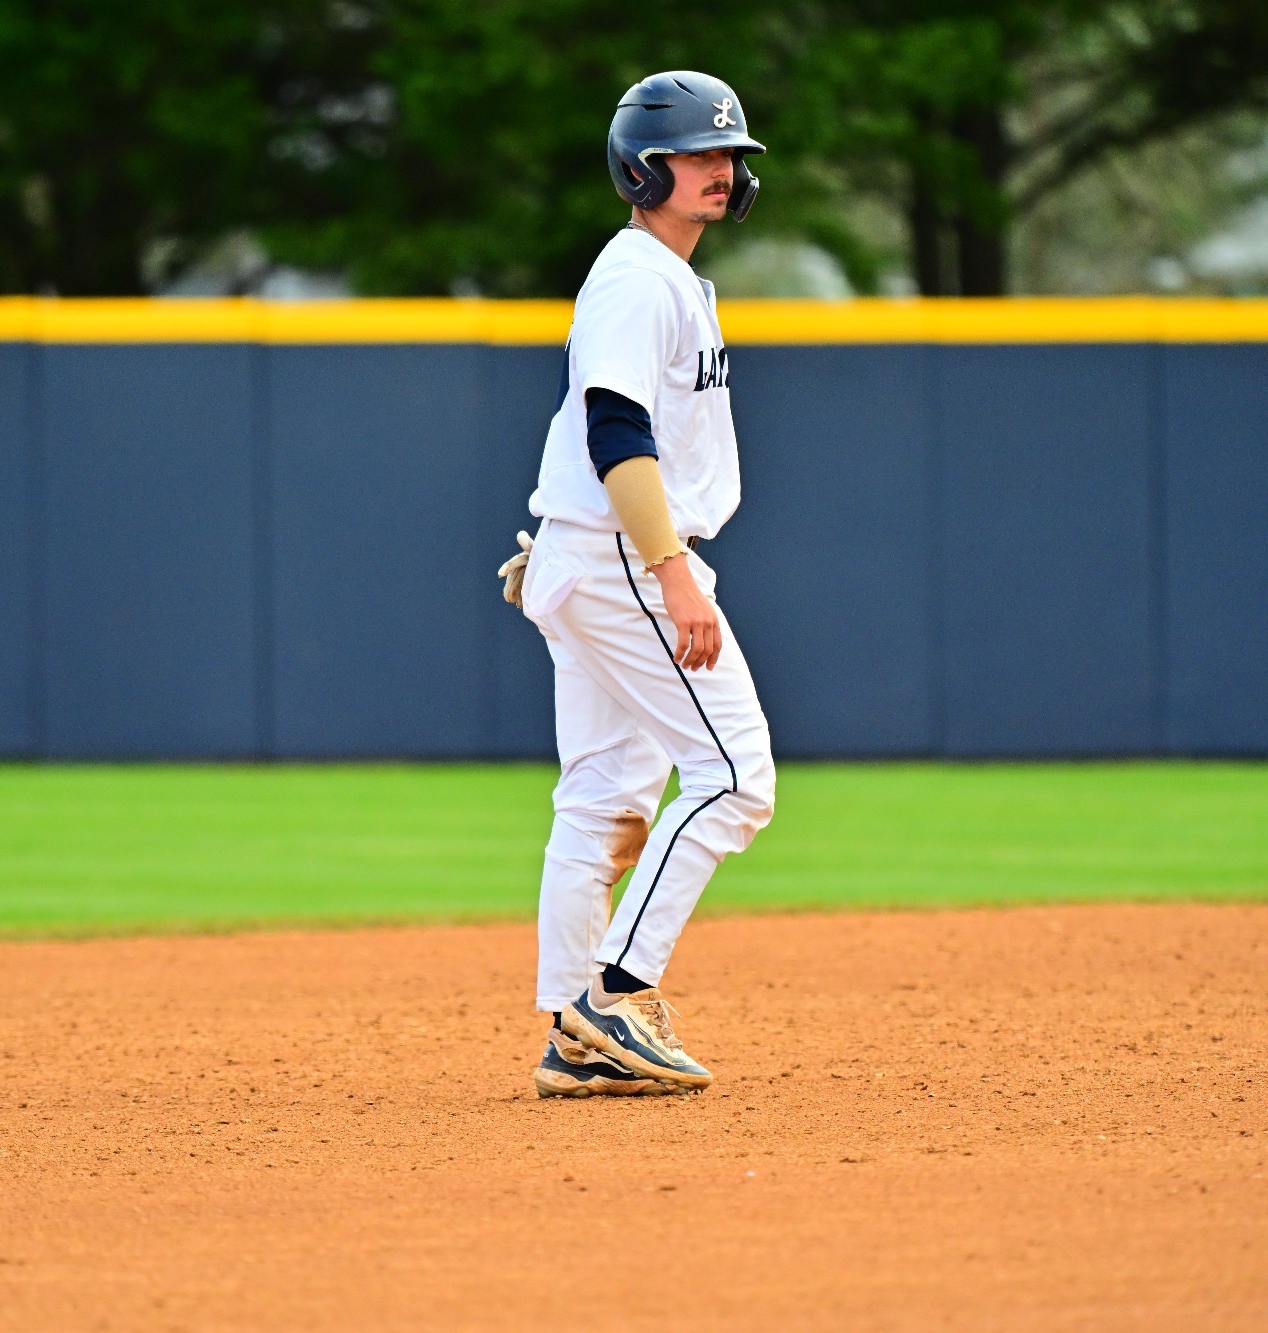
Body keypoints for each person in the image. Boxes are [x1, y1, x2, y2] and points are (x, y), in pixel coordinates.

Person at [496, 70, 776, 1098]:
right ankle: (611, 993)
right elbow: (615, 427)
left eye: (727, 157)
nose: (717, 171)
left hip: (591, 550)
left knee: (604, 797)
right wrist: (670, 574)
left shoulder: (670, 279)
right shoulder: (633, 277)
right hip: (626, 554)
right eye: (696, 155)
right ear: (639, 166)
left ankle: (572, 1033)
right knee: (733, 777)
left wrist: (573, 547)